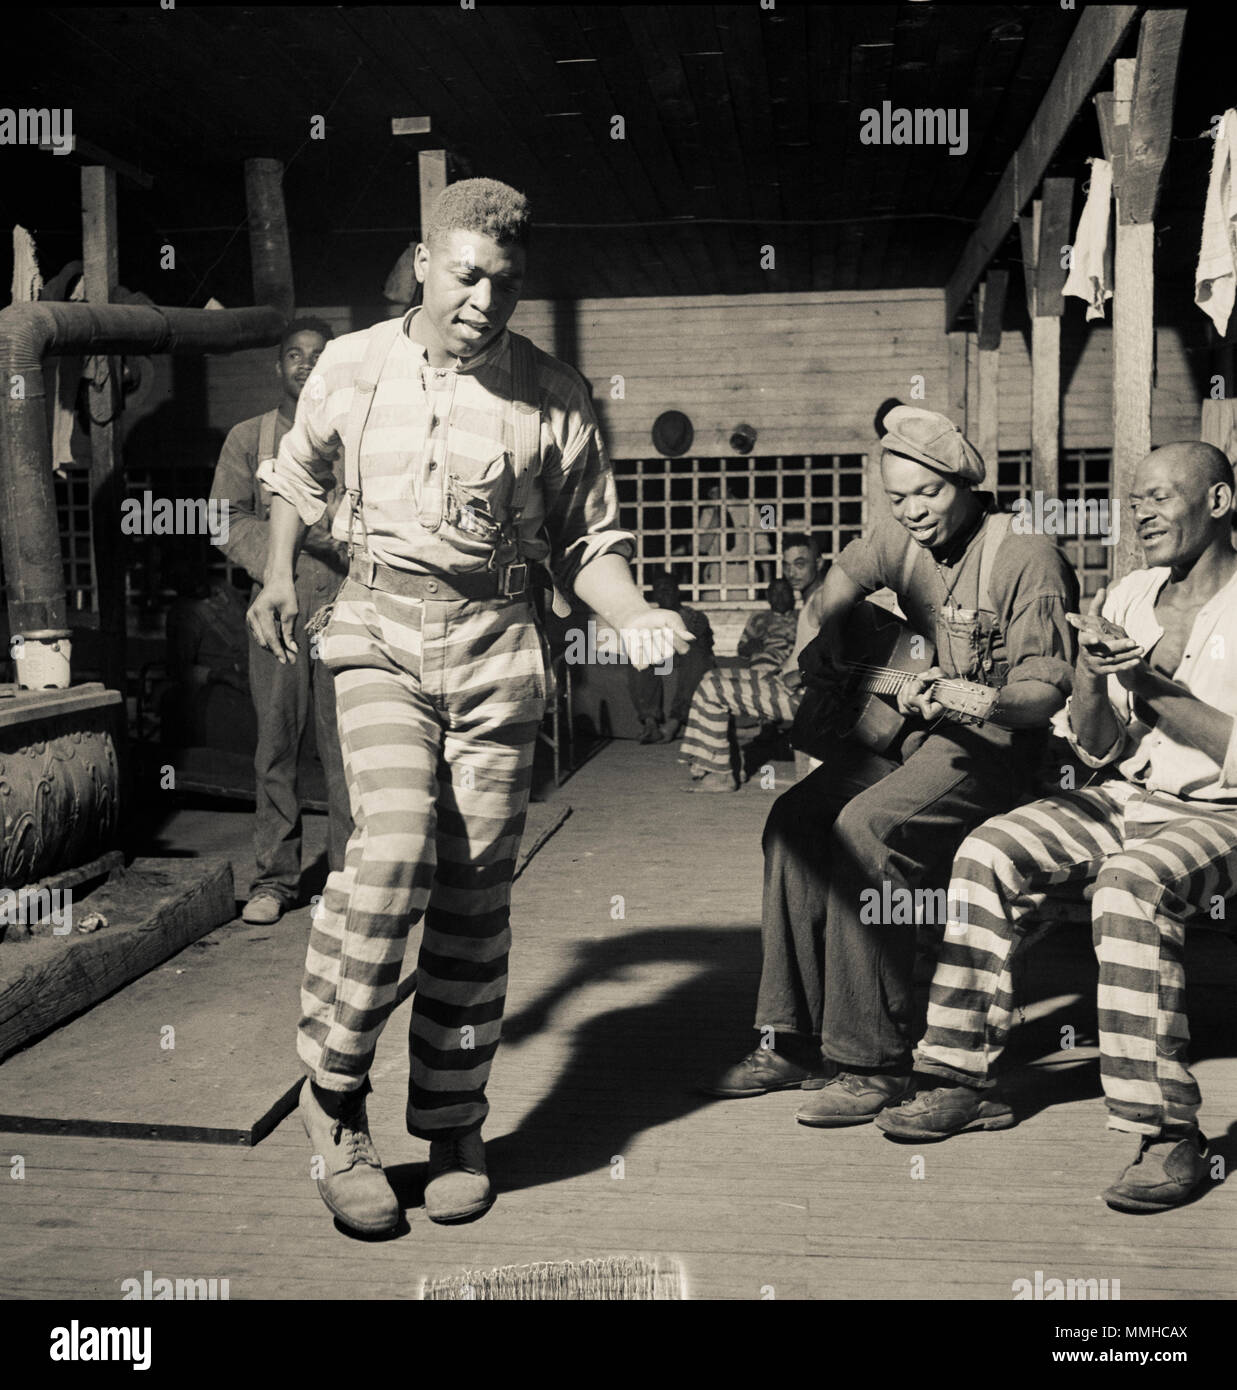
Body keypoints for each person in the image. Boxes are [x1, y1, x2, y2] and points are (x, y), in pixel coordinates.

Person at [248, 178, 693, 1235]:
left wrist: (630, 613)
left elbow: (588, 544)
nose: (483, 299)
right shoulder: (352, 366)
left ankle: (451, 1121)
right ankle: (334, 1097)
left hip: (498, 649)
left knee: (475, 895)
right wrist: (275, 572)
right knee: (392, 849)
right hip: (379, 634)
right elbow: (298, 476)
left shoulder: (553, 394)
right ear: (421, 260)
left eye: (505, 280)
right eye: (464, 274)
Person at [878, 442, 1237, 1214]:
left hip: (1221, 811)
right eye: (1133, 498)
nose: (1140, 512)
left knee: (1128, 885)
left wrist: (1145, 681)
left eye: (1160, 497)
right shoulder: (1130, 594)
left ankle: (1168, 1133)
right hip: (1125, 793)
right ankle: (959, 1076)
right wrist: (1090, 674)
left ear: (1217, 502)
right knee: (989, 850)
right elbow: (1100, 746)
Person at [701, 406, 1078, 1118]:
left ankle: (872, 1060)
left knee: (864, 827)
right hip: (908, 739)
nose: (912, 512)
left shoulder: (1025, 557)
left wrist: (971, 698)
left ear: (964, 482)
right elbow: (825, 601)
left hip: (995, 752)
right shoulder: (896, 541)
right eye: (897, 497)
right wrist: (820, 663)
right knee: (793, 820)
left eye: (927, 495)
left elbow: (1040, 695)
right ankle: (791, 1042)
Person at [210, 318, 352, 925]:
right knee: (275, 745)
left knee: (348, 749)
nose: (305, 363)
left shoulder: (354, 437)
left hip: (348, 605)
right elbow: (224, 519)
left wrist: (322, 535)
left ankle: (351, 880)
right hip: (276, 610)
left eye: (317, 355)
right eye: (293, 354)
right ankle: (274, 881)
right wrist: (279, 557)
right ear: (278, 367)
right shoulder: (250, 438)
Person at [677, 537, 826, 792]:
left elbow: (836, 651)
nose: (792, 573)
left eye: (800, 564)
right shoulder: (810, 600)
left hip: (806, 700)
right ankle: (714, 767)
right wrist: (782, 672)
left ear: (819, 563)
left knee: (712, 689)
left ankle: (718, 773)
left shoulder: (823, 599)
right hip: (794, 688)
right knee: (711, 678)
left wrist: (796, 676)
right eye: (787, 565)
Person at [628, 571, 715, 743]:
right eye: (659, 589)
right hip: (663, 655)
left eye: (668, 588)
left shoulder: (694, 616)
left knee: (697, 655)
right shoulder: (649, 617)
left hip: (687, 657)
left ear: (677, 592)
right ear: (654, 595)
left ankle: (675, 721)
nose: (664, 592)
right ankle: (650, 723)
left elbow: (699, 643)